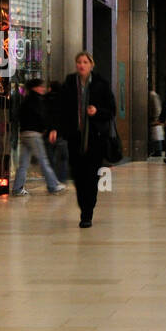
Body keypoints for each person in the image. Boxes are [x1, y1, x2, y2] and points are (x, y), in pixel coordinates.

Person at [55, 51, 116, 228]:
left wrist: (97, 112)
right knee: (78, 177)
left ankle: (87, 213)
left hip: (95, 139)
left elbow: (111, 110)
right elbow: (61, 108)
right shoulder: (69, 83)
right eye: (79, 62)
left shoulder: (101, 84)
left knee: (90, 177)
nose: (81, 65)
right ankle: (84, 205)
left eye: (85, 62)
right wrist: (56, 128)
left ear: (91, 65)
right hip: (75, 138)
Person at [12, 78, 67, 197]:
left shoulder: (25, 100)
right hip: (34, 134)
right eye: (40, 86)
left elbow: (17, 116)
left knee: (23, 163)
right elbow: (42, 116)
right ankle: (53, 185)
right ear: (35, 88)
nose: (43, 89)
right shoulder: (37, 100)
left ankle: (17, 188)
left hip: (24, 133)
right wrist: (48, 129)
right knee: (43, 160)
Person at [44, 80, 69, 182]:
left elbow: (45, 116)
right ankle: (61, 179)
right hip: (61, 133)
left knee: (50, 159)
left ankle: (52, 180)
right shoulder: (64, 99)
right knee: (62, 158)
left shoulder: (45, 99)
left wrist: (50, 129)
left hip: (47, 133)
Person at [149, 87, 163, 158]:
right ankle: (157, 150)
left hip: (155, 118)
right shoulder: (153, 94)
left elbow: (156, 107)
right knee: (156, 134)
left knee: (156, 133)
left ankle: (158, 150)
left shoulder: (152, 95)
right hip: (154, 117)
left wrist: (157, 118)